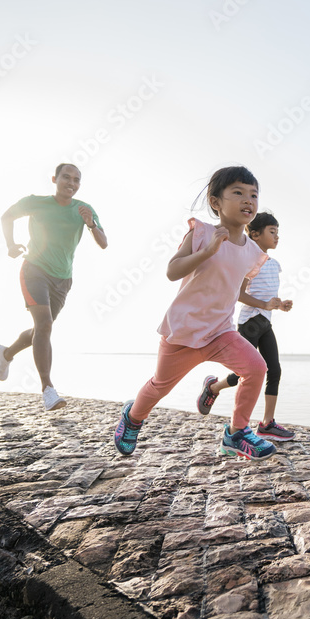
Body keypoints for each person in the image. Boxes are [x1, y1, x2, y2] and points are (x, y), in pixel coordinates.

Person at [114, 166, 276, 460]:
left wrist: (267, 305)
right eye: (237, 193)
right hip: (184, 332)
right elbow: (172, 271)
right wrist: (208, 251)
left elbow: (235, 289)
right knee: (159, 388)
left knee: (256, 368)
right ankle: (132, 418)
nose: (248, 200)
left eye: (253, 195)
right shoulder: (202, 233)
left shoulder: (253, 252)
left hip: (220, 332)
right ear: (216, 202)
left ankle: (236, 434)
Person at [0, 163, 107, 410]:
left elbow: (103, 242)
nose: (71, 183)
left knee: (40, 329)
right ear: (55, 179)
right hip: (34, 269)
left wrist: (91, 224)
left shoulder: (84, 210)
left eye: (76, 180)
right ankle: (48, 389)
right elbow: (7, 217)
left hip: (63, 279)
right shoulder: (36, 202)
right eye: (66, 177)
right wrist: (11, 244)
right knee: (44, 325)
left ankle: (6, 354)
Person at [196, 212, 294, 441]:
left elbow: (268, 297)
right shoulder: (249, 261)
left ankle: (267, 423)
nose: (277, 236)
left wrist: (279, 305)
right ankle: (213, 388)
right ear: (255, 235)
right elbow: (239, 294)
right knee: (243, 373)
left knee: (275, 370)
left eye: (278, 232)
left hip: (266, 322)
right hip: (250, 323)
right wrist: (264, 304)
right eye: (272, 231)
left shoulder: (274, 264)